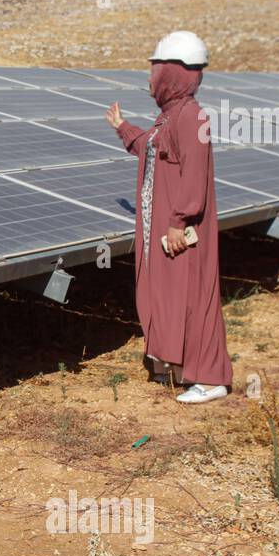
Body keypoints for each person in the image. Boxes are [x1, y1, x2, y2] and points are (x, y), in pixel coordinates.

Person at [103, 30, 232, 405]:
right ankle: (175, 367)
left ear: (172, 74)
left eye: (154, 70)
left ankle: (210, 378)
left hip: (178, 227)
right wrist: (123, 128)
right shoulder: (168, 117)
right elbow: (150, 147)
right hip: (160, 227)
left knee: (193, 297)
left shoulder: (192, 117)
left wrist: (179, 220)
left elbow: (194, 173)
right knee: (169, 295)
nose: (149, 79)